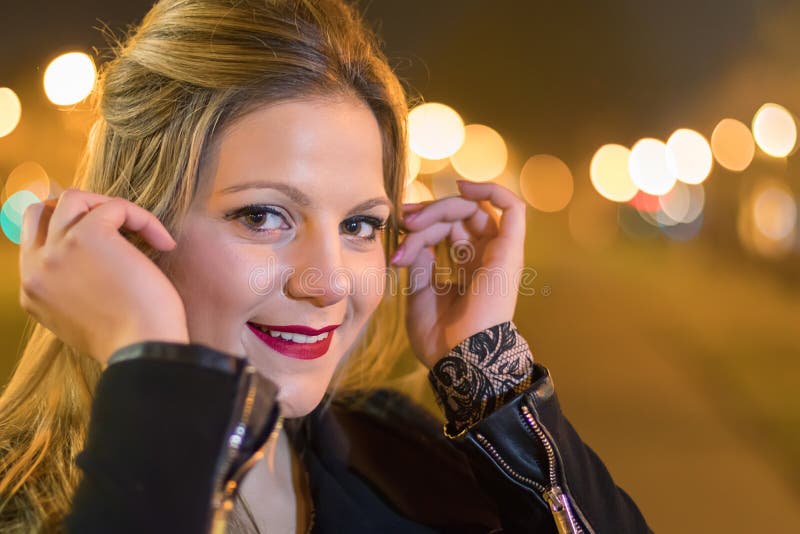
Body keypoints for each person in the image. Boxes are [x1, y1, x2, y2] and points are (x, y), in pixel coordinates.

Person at [0, 0, 653, 532]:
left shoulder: (404, 458)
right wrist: (152, 374)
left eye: (359, 225)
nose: (332, 282)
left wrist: (487, 374)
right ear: (128, 226)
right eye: (263, 216)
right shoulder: (20, 499)